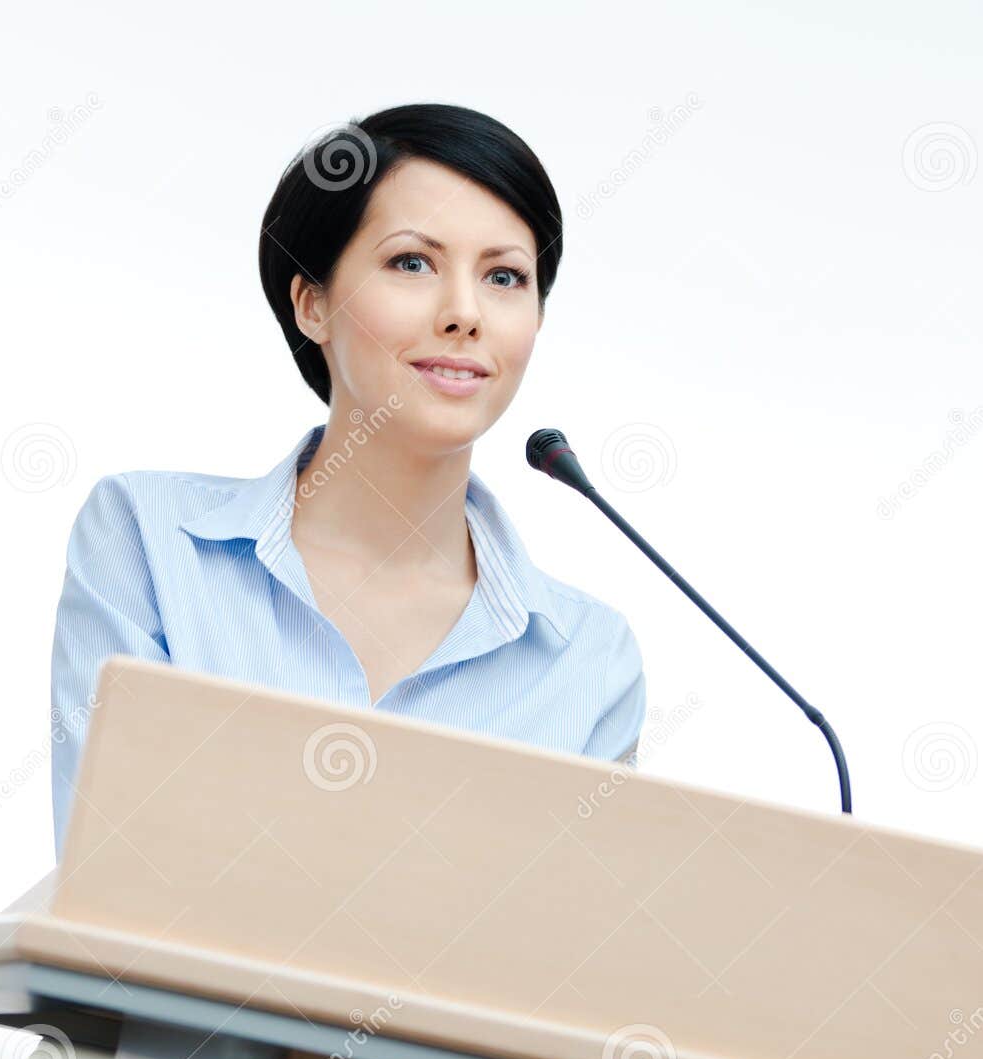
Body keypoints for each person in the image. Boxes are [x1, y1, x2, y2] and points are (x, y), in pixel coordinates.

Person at [49, 103, 647, 860]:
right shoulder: (146, 539)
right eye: (411, 263)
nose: (465, 313)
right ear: (313, 303)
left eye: (504, 276)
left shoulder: (589, 658)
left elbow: (564, 956)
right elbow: (115, 878)